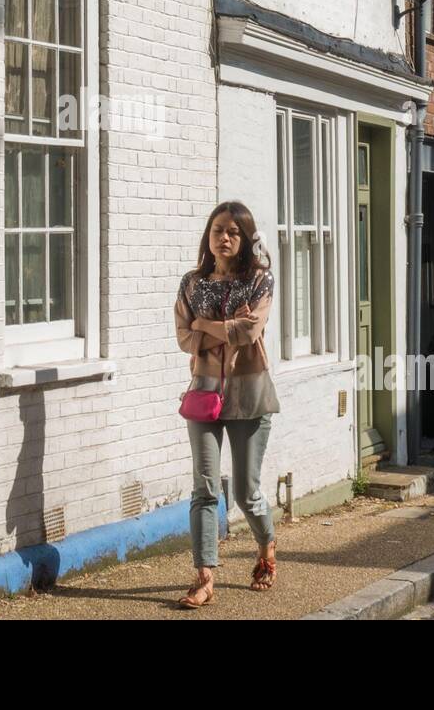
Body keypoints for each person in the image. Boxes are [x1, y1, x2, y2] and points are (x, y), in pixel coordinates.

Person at [173, 201, 281, 609]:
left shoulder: (259, 280)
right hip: (203, 392)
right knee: (203, 487)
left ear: (245, 238)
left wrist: (205, 325)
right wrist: (221, 328)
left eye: (233, 232)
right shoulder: (191, 283)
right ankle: (204, 577)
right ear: (208, 235)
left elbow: (250, 330)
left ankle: (266, 546)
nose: (224, 238)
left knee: (245, 492)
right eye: (218, 230)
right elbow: (184, 336)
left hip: (250, 395)